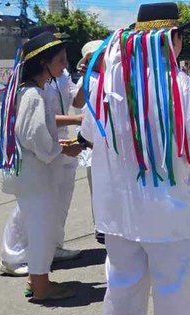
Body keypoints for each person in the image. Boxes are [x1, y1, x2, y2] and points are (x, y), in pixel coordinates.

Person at [80, 3, 190, 315]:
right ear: (173, 38)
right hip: (169, 214)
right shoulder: (176, 83)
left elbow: (89, 134)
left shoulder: (107, 83)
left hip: (120, 214)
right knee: (174, 295)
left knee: (122, 291)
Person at [0, 31, 85, 300]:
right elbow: (34, 137)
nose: (64, 66)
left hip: (30, 173)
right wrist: (63, 149)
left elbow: (34, 133)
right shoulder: (33, 94)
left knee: (39, 227)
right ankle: (42, 286)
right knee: (41, 230)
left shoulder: (30, 91)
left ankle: (37, 281)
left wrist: (60, 146)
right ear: (43, 64)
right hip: (35, 175)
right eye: (60, 60)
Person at [77, 40, 105, 244]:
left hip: (107, 139)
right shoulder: (89, 78)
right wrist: (85, 77)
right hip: (91, 140)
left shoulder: (111, 76)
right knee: (97, 184)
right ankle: (101, 226)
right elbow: (77, 102)